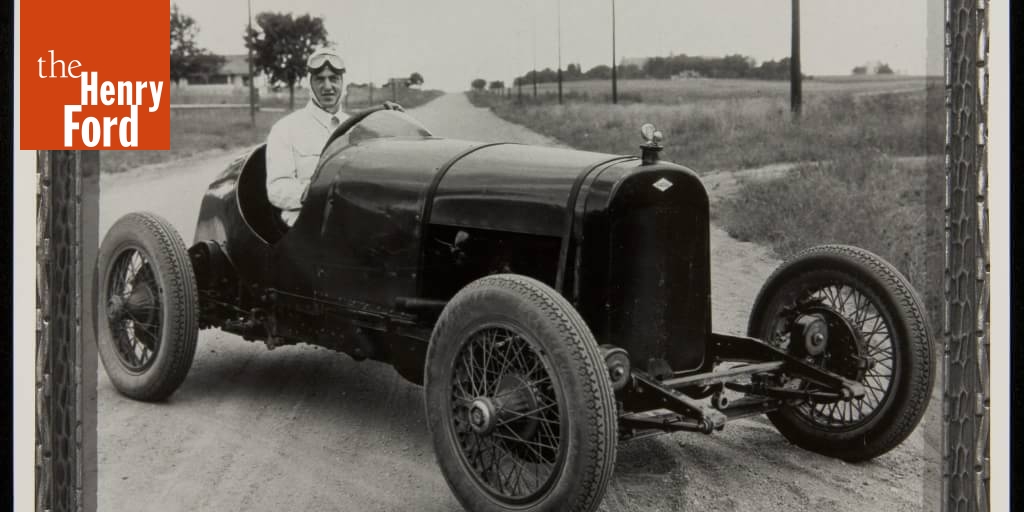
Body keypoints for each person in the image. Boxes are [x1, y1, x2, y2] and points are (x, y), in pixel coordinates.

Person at [264, 46, 403, 226]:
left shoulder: (358, 128)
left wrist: (390, 120)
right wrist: (316, 193)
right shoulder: (286, 128)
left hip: (353, 223)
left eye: (334, 79)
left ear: (342, 83)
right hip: (306, 228)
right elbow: (277, 189)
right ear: (310, 83)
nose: (327, 87)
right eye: (320, 79)